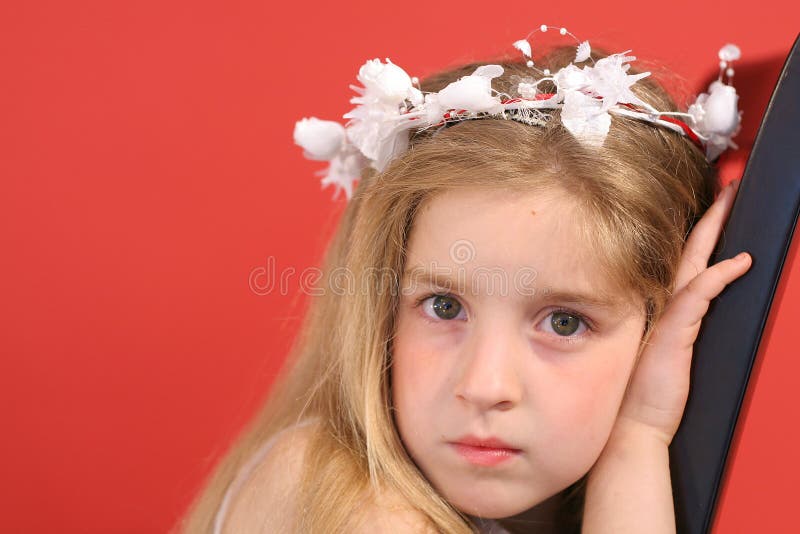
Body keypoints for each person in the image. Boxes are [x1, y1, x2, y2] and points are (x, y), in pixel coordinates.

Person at [176, 26, 751, 533]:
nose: (484, 384)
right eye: (444, 306)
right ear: (380, 306)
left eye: (564, 321)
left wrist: (635, 436)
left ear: (657, 333)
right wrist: (636, 442)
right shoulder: (348, 505)